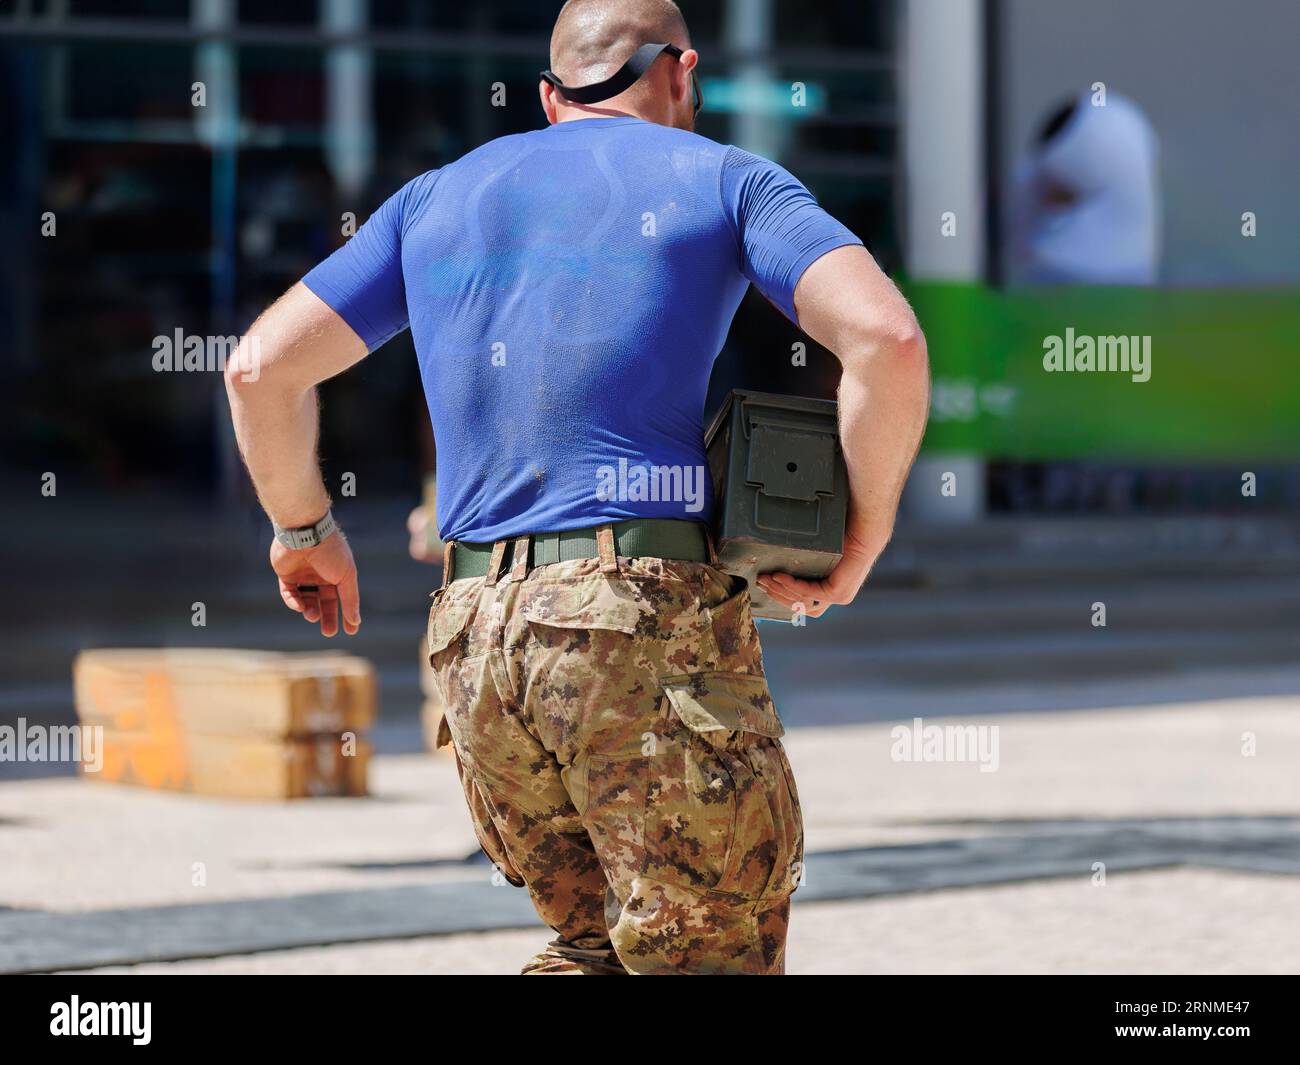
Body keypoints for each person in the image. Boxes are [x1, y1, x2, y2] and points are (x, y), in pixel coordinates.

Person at [224, 0, 929, 975]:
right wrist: (863, 535)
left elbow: (259, 369)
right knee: (703, 953)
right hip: (634, 618)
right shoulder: (728, 179)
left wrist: (301, 529)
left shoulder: (435, 196)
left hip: (473, 639)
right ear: (681, 73)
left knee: (590, 947)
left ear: (551, 99)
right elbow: (886, 341)